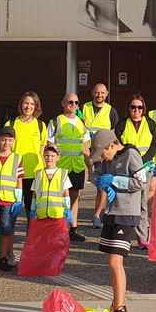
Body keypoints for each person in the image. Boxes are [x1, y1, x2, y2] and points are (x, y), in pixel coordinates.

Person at [92, 128, 150, 312]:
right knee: (112, 263)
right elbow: (96, 174)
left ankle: (121, 309)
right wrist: (102, 183)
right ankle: (117, 302)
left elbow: (141, 182)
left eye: (102, 152)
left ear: (111, 145)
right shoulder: (108, 159)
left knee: (115, 262)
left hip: (126, 213)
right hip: (112, 212)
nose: (101, 157)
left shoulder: (131, 155)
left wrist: (115, 181)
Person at [49, 92, 92, 243]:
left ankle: (73, 228)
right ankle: (59, 228)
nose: (73, 105)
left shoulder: (81, 123)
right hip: (61, 167)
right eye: (70, 102)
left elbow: (86, 148)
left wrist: (91, 169)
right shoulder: (55, 122)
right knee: (60, 198)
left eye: (76, 102)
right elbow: (49, 146)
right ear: (63, 103)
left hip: (77, 166)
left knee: (75, 198)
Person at [0, 126, 25, 271]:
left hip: (9, 200)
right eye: (4, 139)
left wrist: (18, 199)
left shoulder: (17, 158)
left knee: (7, 230)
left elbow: (19, 179)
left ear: (14, 141)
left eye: (10, 140)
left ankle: (3, 258)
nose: (6, 143)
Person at [10, 91, 47, 213]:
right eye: (26, 103)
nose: (28, 107)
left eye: (32, 104)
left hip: (35, 173)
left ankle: (31, 233)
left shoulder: (41, 126)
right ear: (21, 104)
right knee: (12, 209)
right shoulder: (11, 124)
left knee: (32, 209)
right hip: (16, 173)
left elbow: (42, 151)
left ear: (36, 106)